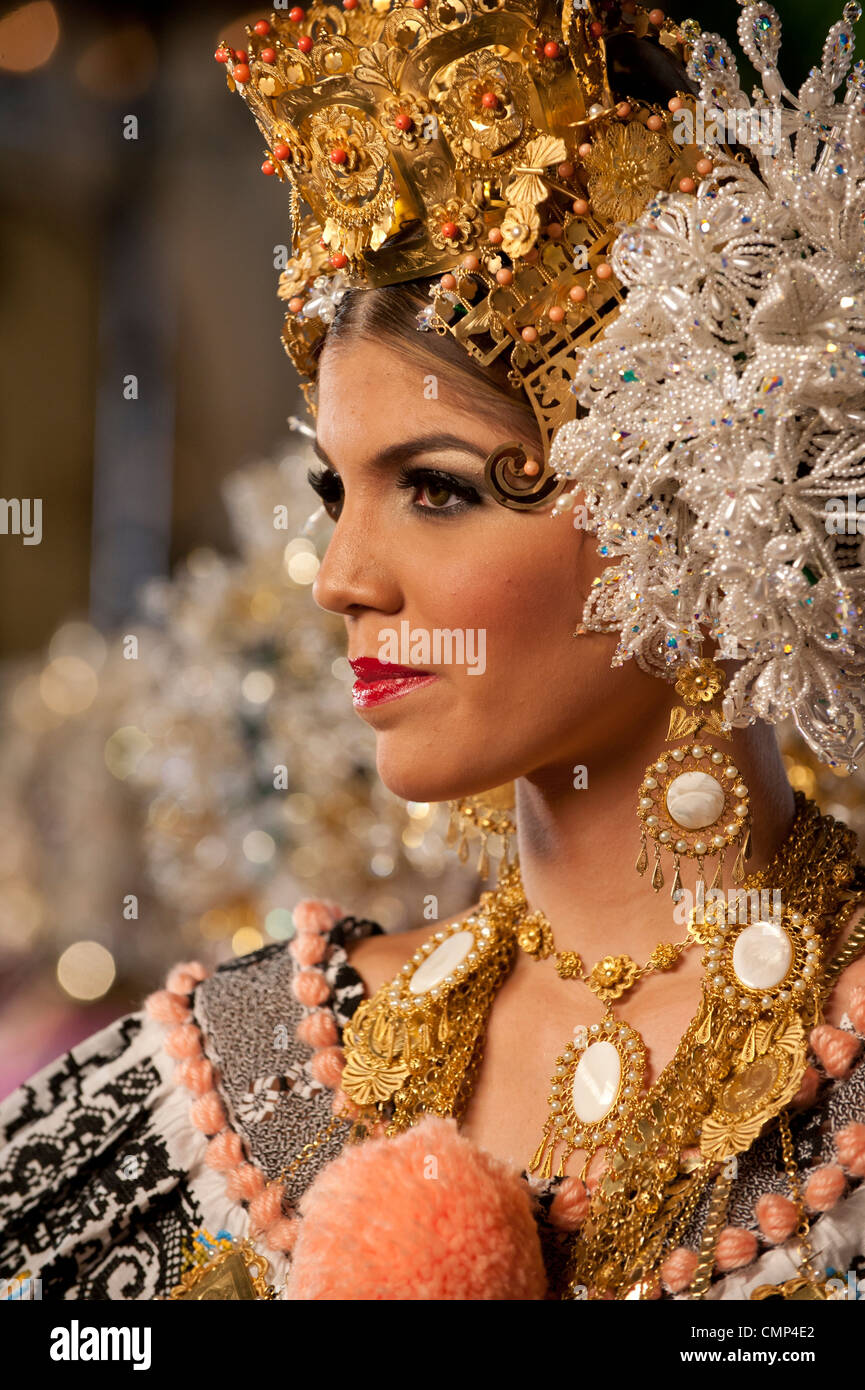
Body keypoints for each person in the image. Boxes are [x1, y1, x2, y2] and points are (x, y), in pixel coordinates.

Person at [3, 0, 865, 1302]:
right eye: (332, 490)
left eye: (441, 487)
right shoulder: (235, 1077)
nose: (345, 578)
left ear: (691, 486)